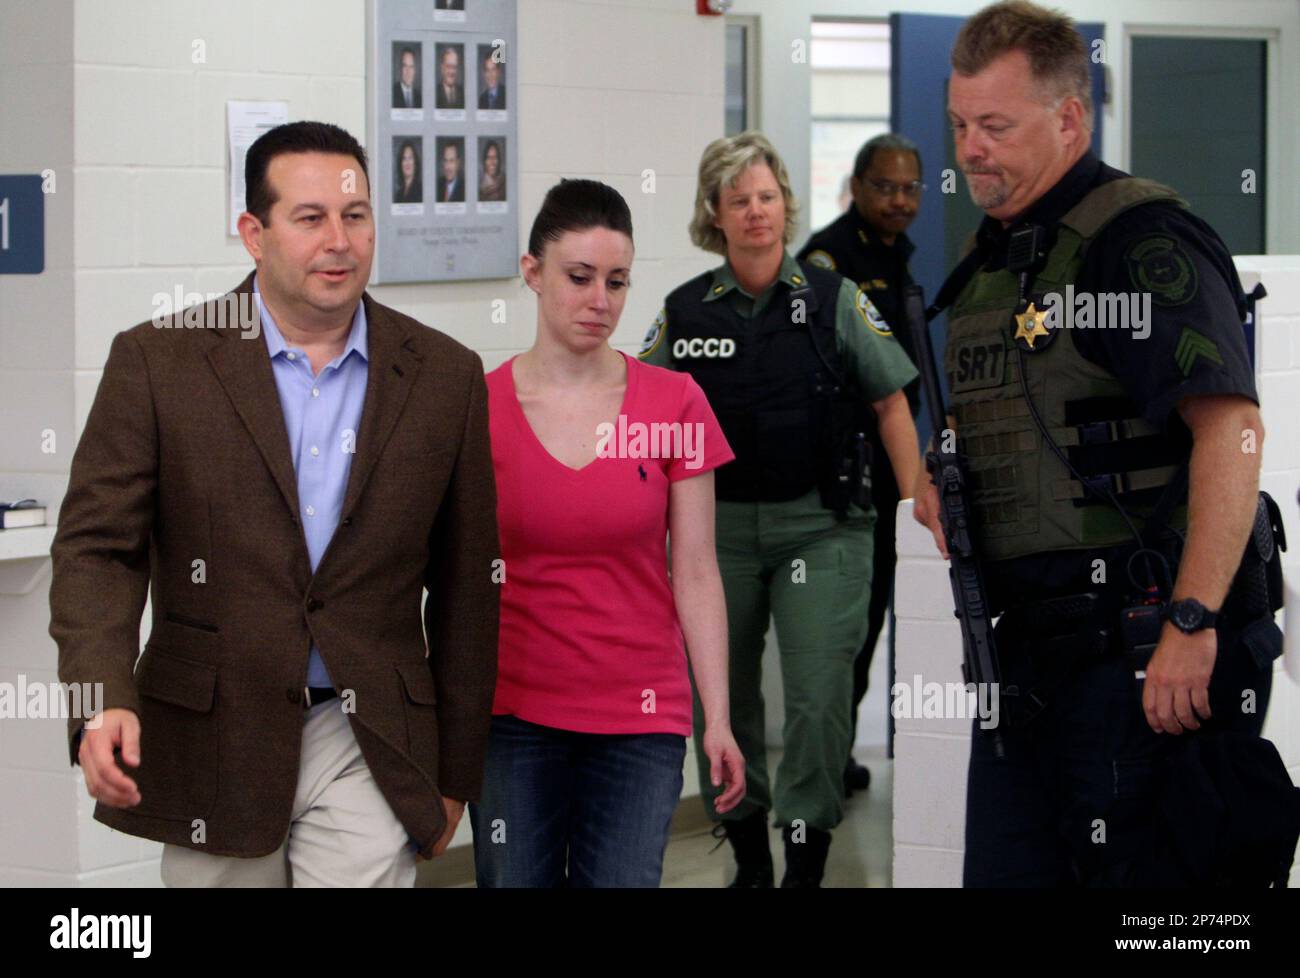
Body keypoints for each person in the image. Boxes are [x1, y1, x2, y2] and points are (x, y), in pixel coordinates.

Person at [49, 121, 500, 887]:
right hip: (214, 732)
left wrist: (455, 772)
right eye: (311, 217)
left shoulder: (445, 378)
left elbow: (467, 587)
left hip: (371, 735)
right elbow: (97, 550)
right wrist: (100, 697)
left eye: (355, 217)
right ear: (254, 234)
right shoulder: (160, 361)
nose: (340, 240)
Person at [913, 0, 1280, 887]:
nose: (970, 150)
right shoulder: (998, 259)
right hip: (1027, 664)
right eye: (960, 125)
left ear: (1069, 117)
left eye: (995, 126)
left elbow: (1232, 430)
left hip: (1141, 656)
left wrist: (1190, 623)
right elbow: (1022, 409)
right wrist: (948, 470)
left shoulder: (1143, 243)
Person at [641, 132, 921, 887]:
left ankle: (804, 861)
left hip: (823, 525)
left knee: (819, 698)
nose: (757, 212)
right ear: (716, 214)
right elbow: (643, 415)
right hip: (717, 536)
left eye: (767, 197)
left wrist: (920, 505)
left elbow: (892, 403)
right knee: (720, 704)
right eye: (740, 200)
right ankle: (749, 862)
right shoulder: (687, 311)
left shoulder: (836, 300)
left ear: (785, 205)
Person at [469, 179, 745, 887]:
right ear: (532, 273)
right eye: (580, 277)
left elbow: (697, 571)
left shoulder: (674, 401)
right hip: (513, 716)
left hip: (639, 716)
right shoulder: (480, 406)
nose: (601, 300)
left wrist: (717, 716)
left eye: (617, 281)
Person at [798, 132, 925, 797]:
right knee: (842, 625)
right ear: (856, 185)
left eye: (910, 188)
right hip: (842, 473)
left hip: (889, 469)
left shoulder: (898, 256)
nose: (899, 200)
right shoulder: (828, 257)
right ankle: (820, 762)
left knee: (871, 616)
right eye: (885, 186)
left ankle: (836, 753)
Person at [394, 139, 422, 203]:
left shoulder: (421, 191)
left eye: (410, 158)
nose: (407, 162)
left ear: (415, 163)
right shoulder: (398, 194)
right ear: (400, 163)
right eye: (404, 158)